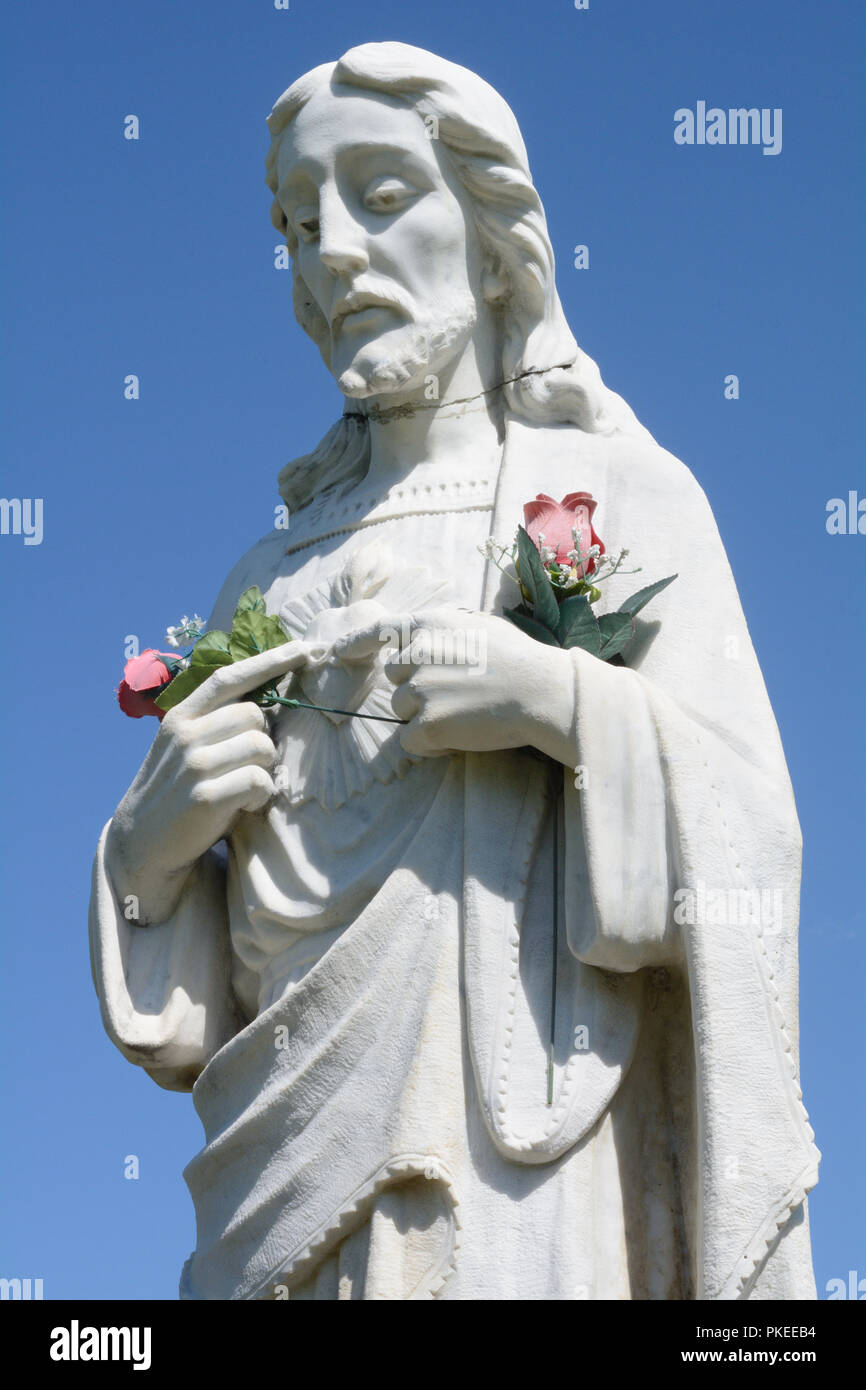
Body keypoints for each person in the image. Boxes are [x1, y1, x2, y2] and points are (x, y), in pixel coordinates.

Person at [90, 41, 819, 1300]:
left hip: (521, 1155)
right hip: (279, 1180)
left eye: (379, 196)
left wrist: (562, 704)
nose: (332, 251)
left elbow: (754, 837)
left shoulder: (621, 497)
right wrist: (145, 858)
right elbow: (208, 997)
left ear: (492, 236)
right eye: (299, 221)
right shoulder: (264, 576)